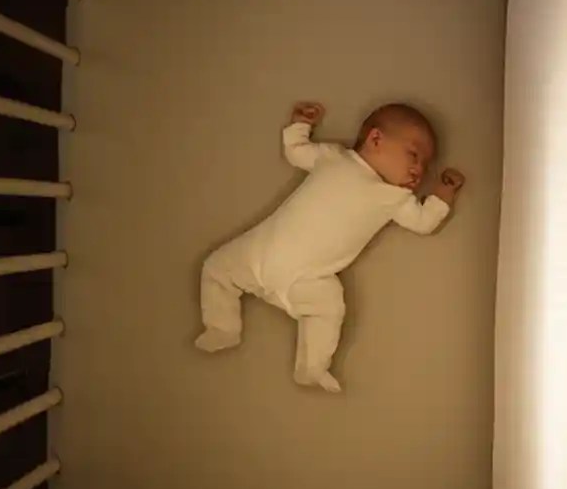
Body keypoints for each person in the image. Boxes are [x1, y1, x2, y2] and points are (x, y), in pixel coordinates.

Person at [194, 101, 465, 392]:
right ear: (375, 139)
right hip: (260, 251)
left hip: (308, 278)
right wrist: (299, 125)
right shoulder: (334, 157)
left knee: (330, 308)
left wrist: (442, 194)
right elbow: (296, 153)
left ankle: (312, 368)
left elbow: (423, 222)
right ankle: (222, 327)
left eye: (425, 165)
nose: (419, 170)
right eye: (413, 155)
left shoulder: (393, 198)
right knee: (216, 267)